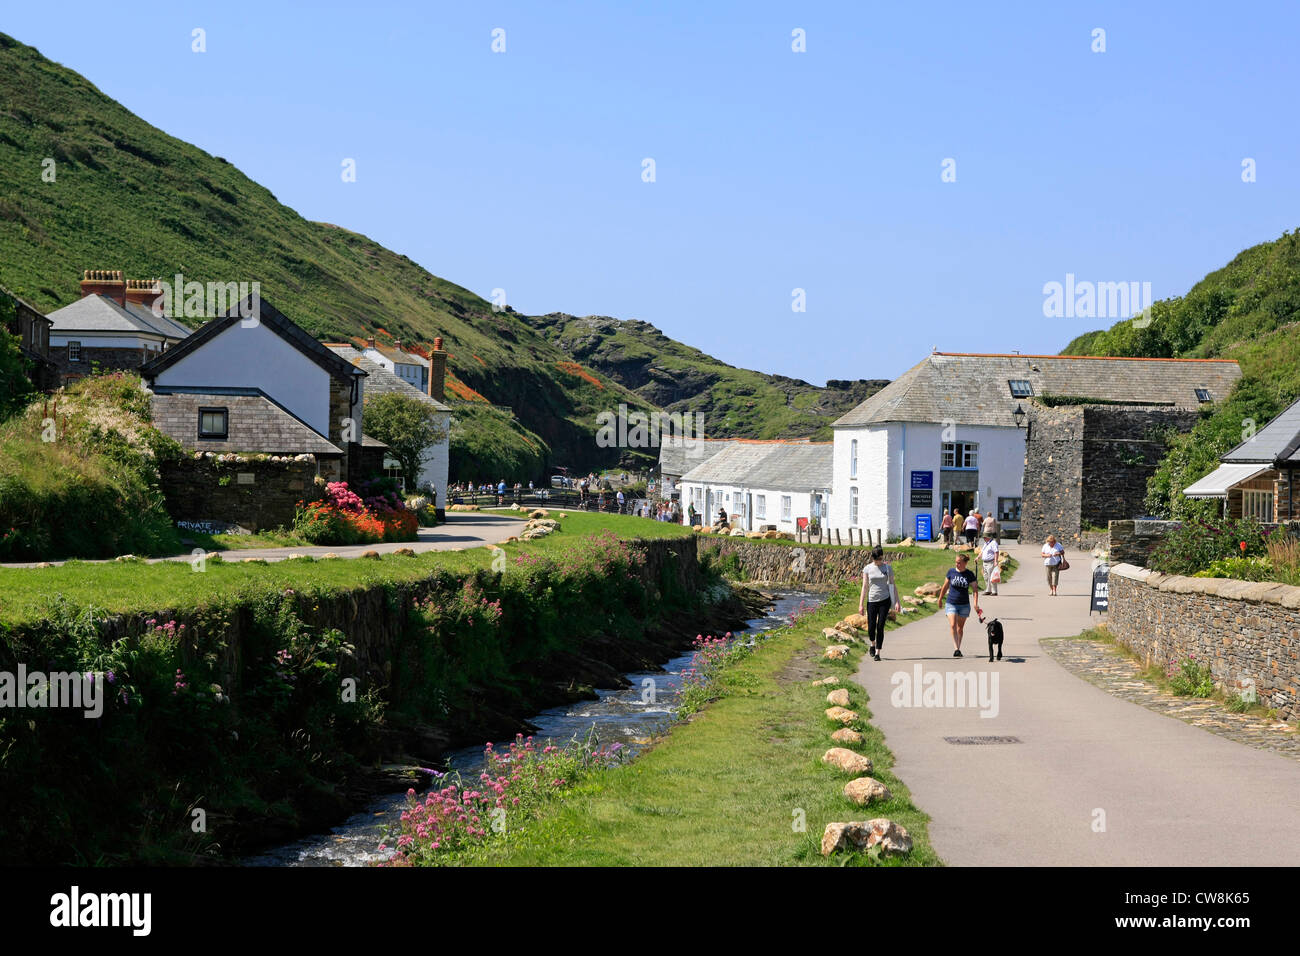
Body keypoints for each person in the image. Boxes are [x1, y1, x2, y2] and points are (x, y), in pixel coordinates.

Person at [857, 546, 901, 661]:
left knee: (880, 626)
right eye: (877, 560)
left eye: (880, 559)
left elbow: (893, 585)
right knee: (871, 628)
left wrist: (897, 602)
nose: (879, 562)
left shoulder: (887, 568)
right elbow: (865, 587)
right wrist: (860, 604)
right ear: (873, 558)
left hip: (884, 601)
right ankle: (872, 643)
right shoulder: (867, 569)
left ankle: (878, 652)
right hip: (872, 601)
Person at [937, 552, 981, 657]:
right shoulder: (951, 572)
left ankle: (958, 648)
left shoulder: (969, 574)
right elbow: (945, 586)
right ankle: (956, 649)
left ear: (965, 563)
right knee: (953, 625)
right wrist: (940, 599)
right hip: (951, 603)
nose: (957, 564)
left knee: (960, 628)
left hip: (964, 605)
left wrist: (975, 604)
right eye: (956, 562)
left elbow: (975, 590)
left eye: (959, 563)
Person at [979, 530, 1000, 596]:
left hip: (991, 562)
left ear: (989, 537)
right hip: (984, 562)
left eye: (985, 537)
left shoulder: (993, 543)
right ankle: (988, 590)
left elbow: (996, 552)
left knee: (992, 577)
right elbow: (982, 552)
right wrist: (978, 557)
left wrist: (996, 561)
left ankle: (994, 591)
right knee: (986, 577)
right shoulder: (986, 543)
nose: (984, 538)